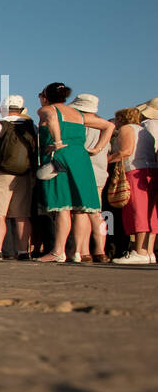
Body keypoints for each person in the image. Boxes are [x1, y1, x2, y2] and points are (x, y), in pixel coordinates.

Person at [34, 82, 114, 263]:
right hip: (82, 162)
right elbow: (109, 126)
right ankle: (87, 251)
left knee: (63, 206)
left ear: (46, 97)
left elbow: (52, 117)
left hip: (61, 158)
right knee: (87, 211)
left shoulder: (47, 109)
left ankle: (60, 251)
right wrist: (97, 148)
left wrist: (58, 140)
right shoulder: (79, 115)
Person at [0, 95, 36, 260]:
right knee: (22, 215)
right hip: (24, 174)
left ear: (3, 108)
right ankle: (24, 251)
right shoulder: (32, 126)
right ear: (21, 109)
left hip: (0, 173)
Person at [108, 106, 158, 264]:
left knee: (137, 210)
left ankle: (139, 251)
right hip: (151, 171)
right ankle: (149, 251)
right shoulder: (146, 132)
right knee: (150, 212)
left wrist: (106, 159)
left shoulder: (126, 129)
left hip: (134, 171)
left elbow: (126, 151)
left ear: (122, 118)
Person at [72, 94, 110, 262]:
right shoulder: (102, 125)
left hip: (83, 171)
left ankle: (82, 250)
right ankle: (100, 250)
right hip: (100, 172)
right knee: (96, 213)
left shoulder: (79, 124)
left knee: (81, 212)